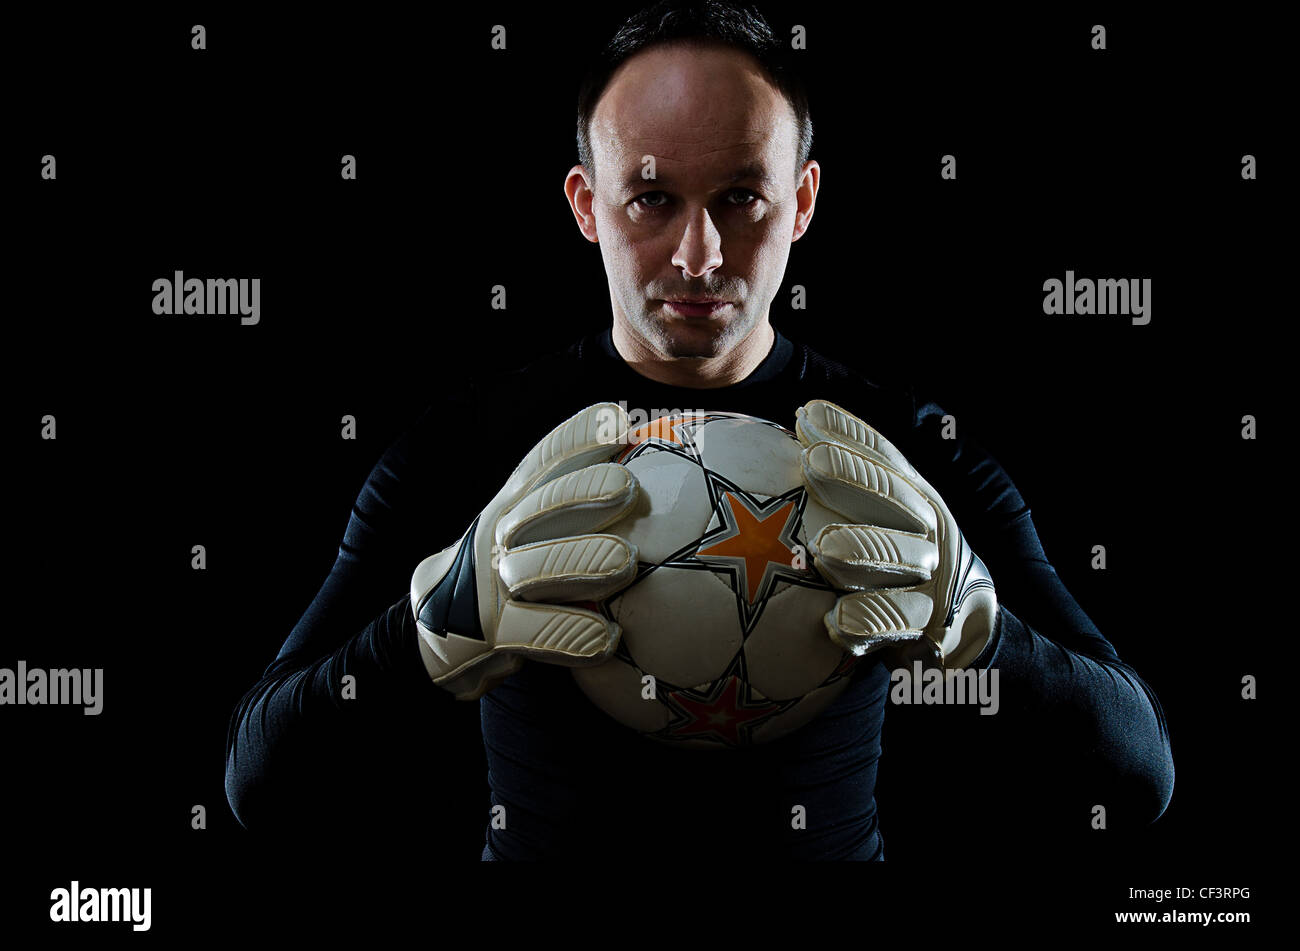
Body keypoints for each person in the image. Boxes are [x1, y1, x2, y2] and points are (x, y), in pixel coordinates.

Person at [225, 0, 1173, 861]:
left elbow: (1141, 774)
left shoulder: (905, 447)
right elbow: (257, 783)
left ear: (801, 202)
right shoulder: (467, 445)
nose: (699, 254)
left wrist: (985, 631)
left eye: (740, 197)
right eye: (650, 198)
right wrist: (434, 626)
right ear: (586, 206)